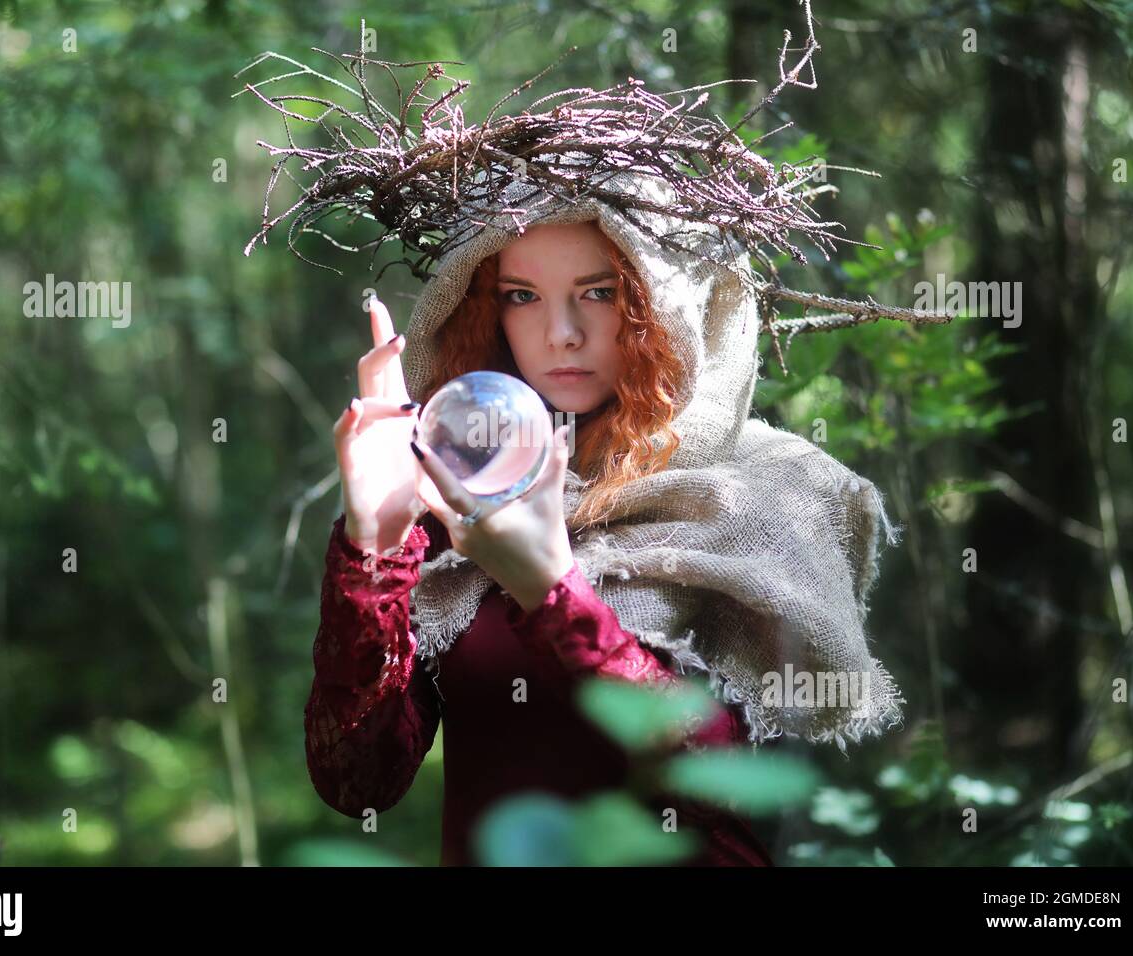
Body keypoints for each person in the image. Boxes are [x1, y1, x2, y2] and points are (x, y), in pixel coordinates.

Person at [305, 169, 904, 867]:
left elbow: (713, 787)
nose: (561, 333)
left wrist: (552, 591)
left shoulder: (760, 493)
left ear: (664, 299)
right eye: (522, 297)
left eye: (599, 291)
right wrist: (373, 545)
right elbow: (359, 783)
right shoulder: (460, 492)